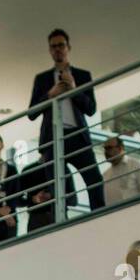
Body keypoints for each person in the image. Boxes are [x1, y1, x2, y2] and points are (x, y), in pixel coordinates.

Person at [28, 28, 105, 210]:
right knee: (58, 186)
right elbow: (31, 113)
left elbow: (91, 109)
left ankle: (100, 216)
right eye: (53, 46)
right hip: (52, 138)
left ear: (68, 47)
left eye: (61, 45)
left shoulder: (82, 75)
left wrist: (73, 89)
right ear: (49, 51)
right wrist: (50, 95)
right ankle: (60, 222)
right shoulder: (42, 79)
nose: (57, 49)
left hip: (77, 135)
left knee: (94, 179)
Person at [17, 157, 76, 233]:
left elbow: (73, 200)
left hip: (57, 215)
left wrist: (53, 196)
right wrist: (34, 199)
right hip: (39, 218)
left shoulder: (62, 168)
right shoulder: (28, 170)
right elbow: (18, 200)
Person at [101, 136, 140, 207]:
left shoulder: (137, 166)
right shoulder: (105, 175)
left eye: (109, 148)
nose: (106, 152)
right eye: (105, 149)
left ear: (120, 148)